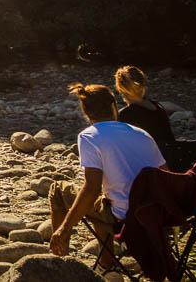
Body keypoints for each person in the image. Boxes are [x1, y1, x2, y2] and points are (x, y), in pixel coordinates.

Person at [49, 82, 166, 260]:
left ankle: (60, 256)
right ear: (113, 106)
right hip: (158, 213)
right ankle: (106, 261)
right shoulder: (141, 133)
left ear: (86, 112)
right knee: (102, 201)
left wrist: (65, 228)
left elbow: (92, 189)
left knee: (58, 189)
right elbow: (166, 174)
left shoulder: (89, 136)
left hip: (124, 217)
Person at [114, 65, 180, 163]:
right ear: (144, 85)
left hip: (147, 167)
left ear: (121, 90)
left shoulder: (124, 115)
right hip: (170, 161)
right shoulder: (158, 108)